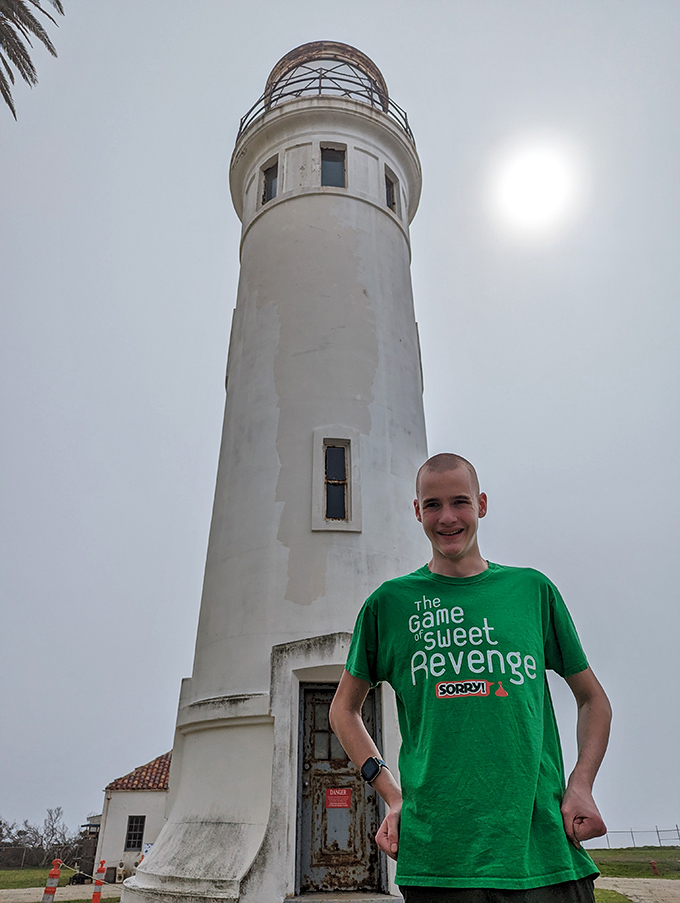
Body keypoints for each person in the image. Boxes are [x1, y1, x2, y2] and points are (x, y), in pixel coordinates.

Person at [329, 453, 611, 902]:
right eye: (433, 505)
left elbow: (593, 699)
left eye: (459, 502)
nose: (447, 517)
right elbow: (344, 709)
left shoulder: (532, 591)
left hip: (542, 849)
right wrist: (392, 794)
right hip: (438, 858)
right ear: (417, 511)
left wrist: (581, 785)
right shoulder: (389, 604)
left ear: (480, 504)